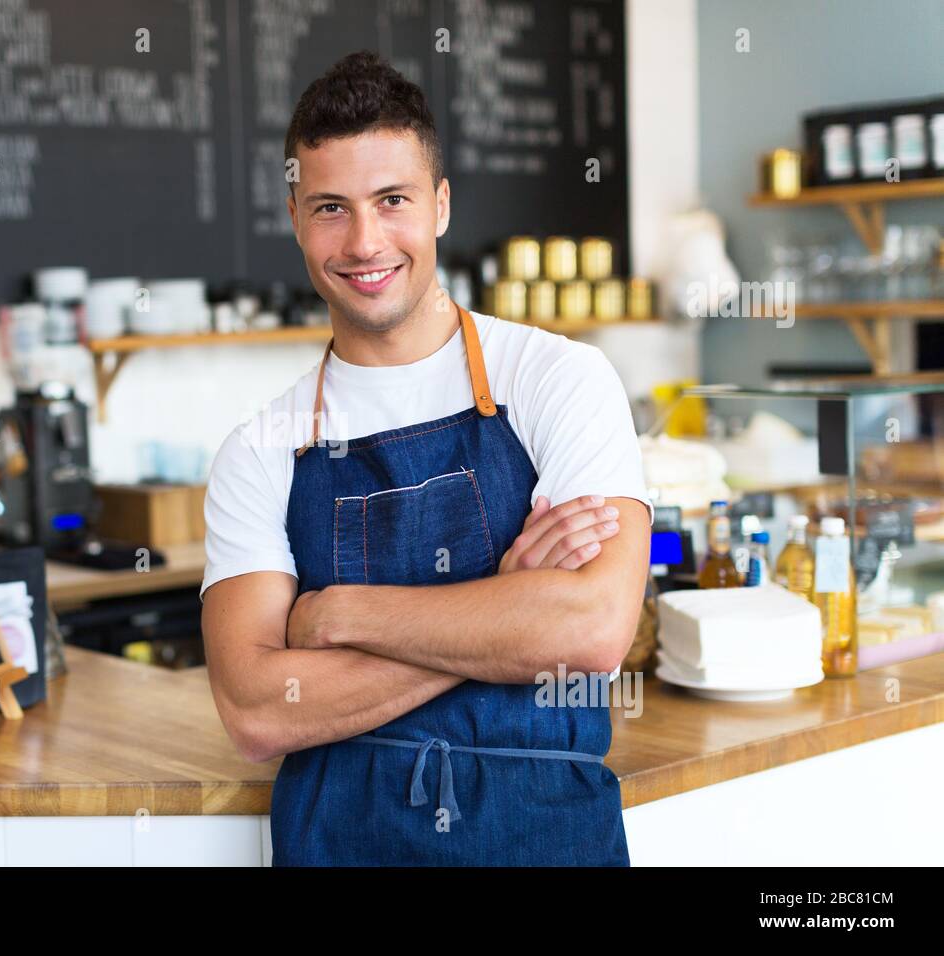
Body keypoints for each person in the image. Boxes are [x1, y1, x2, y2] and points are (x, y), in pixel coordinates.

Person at [199, 51, 650, 866]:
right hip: (338, 842)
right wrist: (509, 613)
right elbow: (258, 711)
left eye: (393, 200)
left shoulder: (558, 378)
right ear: (296, 216)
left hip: (545, 837)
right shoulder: (259, 450)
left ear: (440, 205)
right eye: (331, 207)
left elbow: (590, 631)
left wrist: (337, 618)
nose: (365, 241)